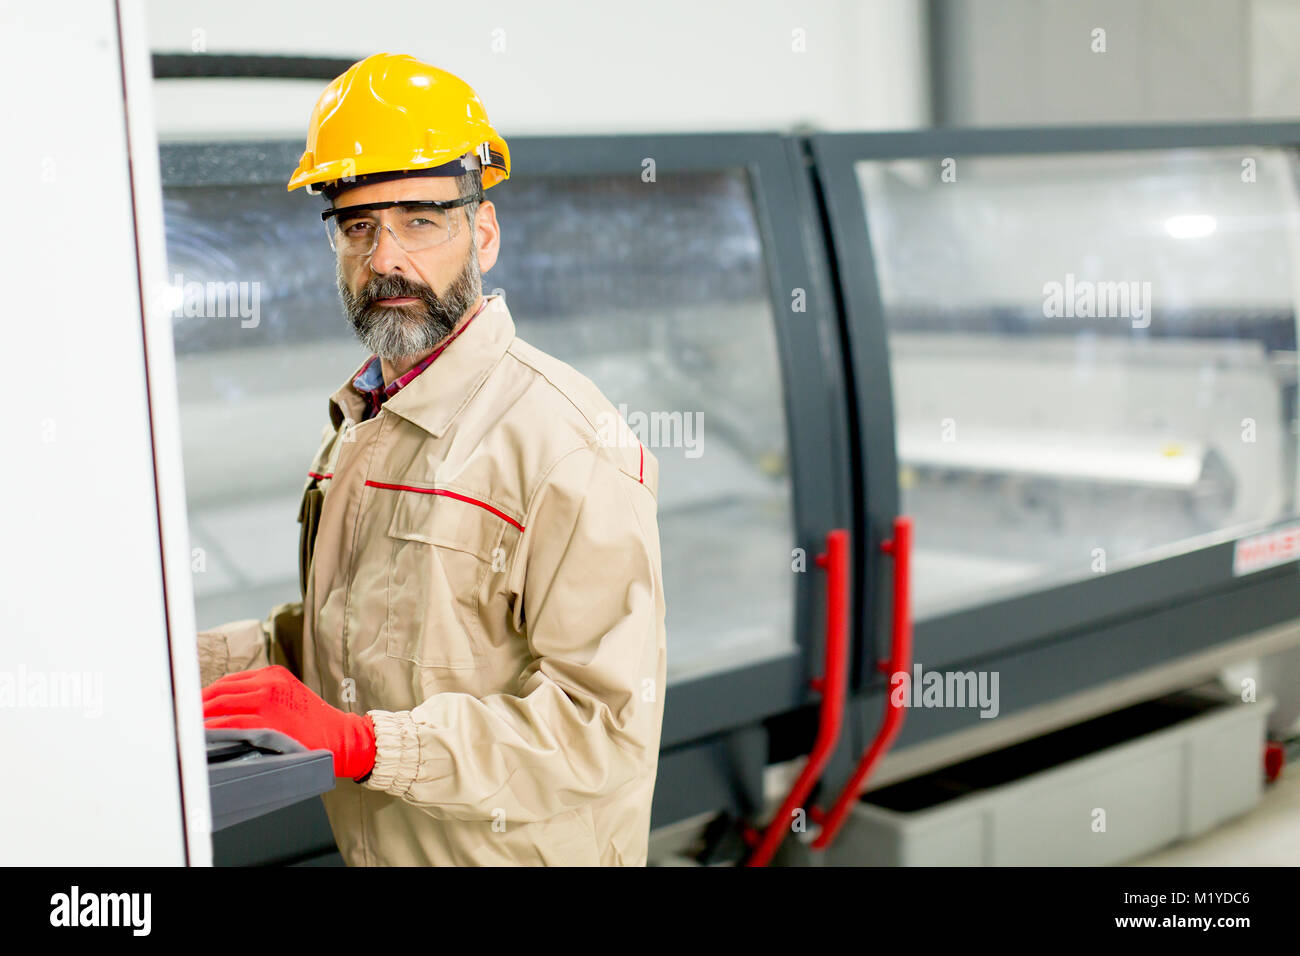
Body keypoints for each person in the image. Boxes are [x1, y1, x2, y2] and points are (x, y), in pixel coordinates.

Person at [197, 52, 667, 866]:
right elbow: (353, 647)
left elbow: (603, 729)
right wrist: (179, 661)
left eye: (421, 219)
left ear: (482, 231)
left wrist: (365, 746)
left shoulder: (562, 439)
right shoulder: (364, 420)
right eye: (358, 226)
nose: (386, 259)